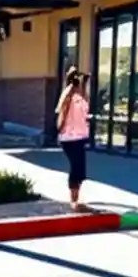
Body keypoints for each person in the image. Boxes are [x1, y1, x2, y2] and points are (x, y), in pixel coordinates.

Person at [55, 67, 91, 212]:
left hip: (80, 137)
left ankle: (77, 198)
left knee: (81, 170)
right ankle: (73, 200)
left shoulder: (82, 98)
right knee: (75, 167)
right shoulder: (68, 97)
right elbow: (60, 106)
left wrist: (84, 85)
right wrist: (71, 85)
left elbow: (87, 105)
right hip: (69, 138)